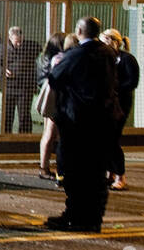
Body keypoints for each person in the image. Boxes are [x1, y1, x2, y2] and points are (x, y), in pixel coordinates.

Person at [46, 17, 120, 232]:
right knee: (97, 172)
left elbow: (55, 78)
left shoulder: (76, 55)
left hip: (78, 121)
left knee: (75, 170)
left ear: (79, 31)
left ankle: (74, 215)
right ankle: (93, 218)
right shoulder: (109, 54)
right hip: (104, 121)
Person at [100, 28, 138, 192]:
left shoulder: (127, 59)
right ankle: (110, 173)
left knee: (112, 139)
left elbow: (132, 82)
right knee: (106, 139)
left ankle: (120, 175)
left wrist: (114, 89)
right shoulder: (106, 59)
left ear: (113, 41)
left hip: (120, 104)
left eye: (105, 40)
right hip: (107, 104)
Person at [0, 25, 39, 133]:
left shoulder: (31, 46)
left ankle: (25, 139)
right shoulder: (1, 48)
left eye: (20, 41)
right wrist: (3, 71)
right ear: (10, 37)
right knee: (7, 116)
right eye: (16, 41)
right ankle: (5, 137)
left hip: (25, 87)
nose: (18, 44)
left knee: (24, 116)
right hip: (8, 87)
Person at [35, 32, 65, 181]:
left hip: (48, 97)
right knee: (51, 133)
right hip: (56, 98)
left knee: (47, 133)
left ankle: (44, 166)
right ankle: (44, 168)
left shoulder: (42, 58)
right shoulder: (58, 59)